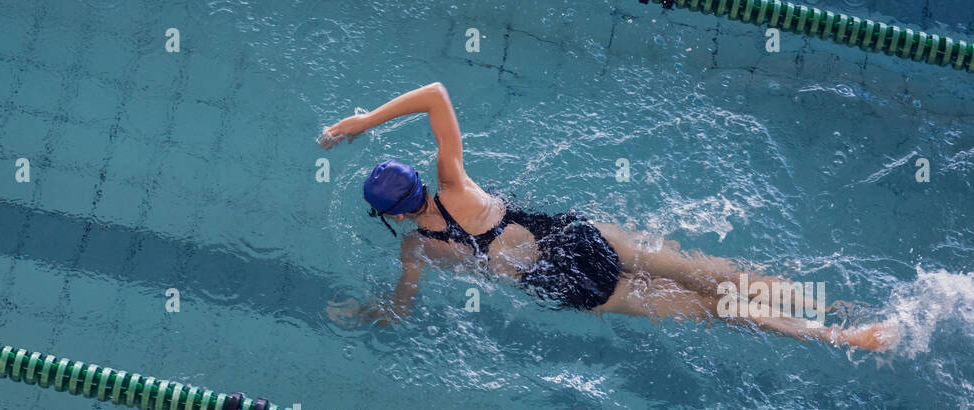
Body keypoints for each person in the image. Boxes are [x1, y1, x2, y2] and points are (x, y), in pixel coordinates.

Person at [320, 82, 898, 350]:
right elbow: (437, 95)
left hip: (563, 283)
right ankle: (824, 302)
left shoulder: (417, 248)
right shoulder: (454, 182)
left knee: (709, 308)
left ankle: (841, 337)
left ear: (389, 216)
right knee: (701, 267)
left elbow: (399, 314)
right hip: (572, 237)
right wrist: (363, 120)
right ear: (419, 181)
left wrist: (366, 316)